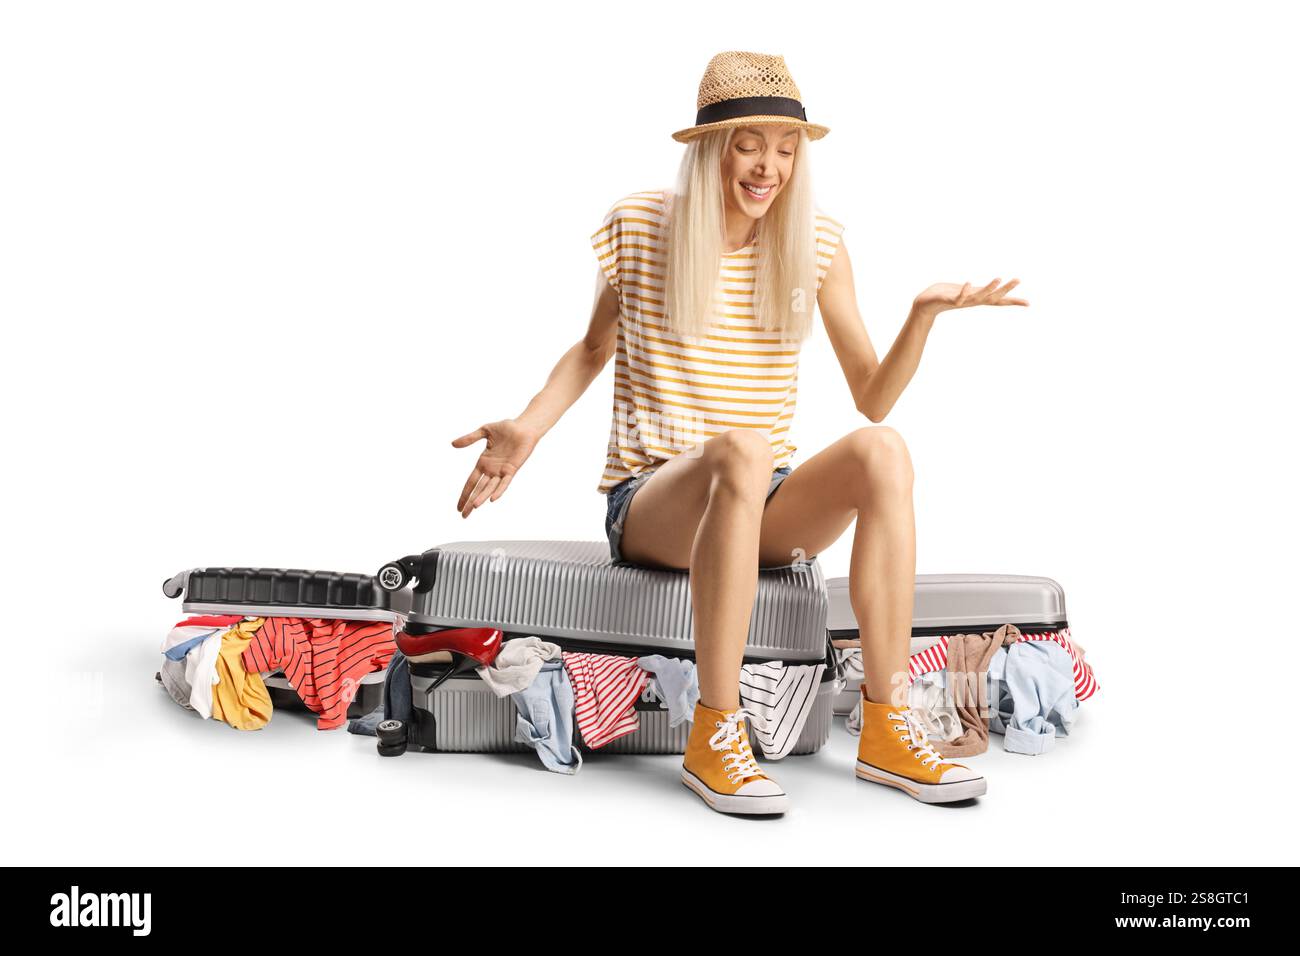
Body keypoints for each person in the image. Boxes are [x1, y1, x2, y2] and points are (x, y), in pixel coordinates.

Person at [450, 51, 1029, 815]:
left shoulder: (815, 245)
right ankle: (715, 734)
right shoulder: (640, 224)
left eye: (786, 149)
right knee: (743, 447)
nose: (770, 167)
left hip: (762, 499)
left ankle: (889, 729)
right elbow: (593, 348)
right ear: (710, 147)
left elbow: (874, 399)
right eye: (751, 145)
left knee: (883, 454)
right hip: (653, 503)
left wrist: (921, 317)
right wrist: (526, 428)